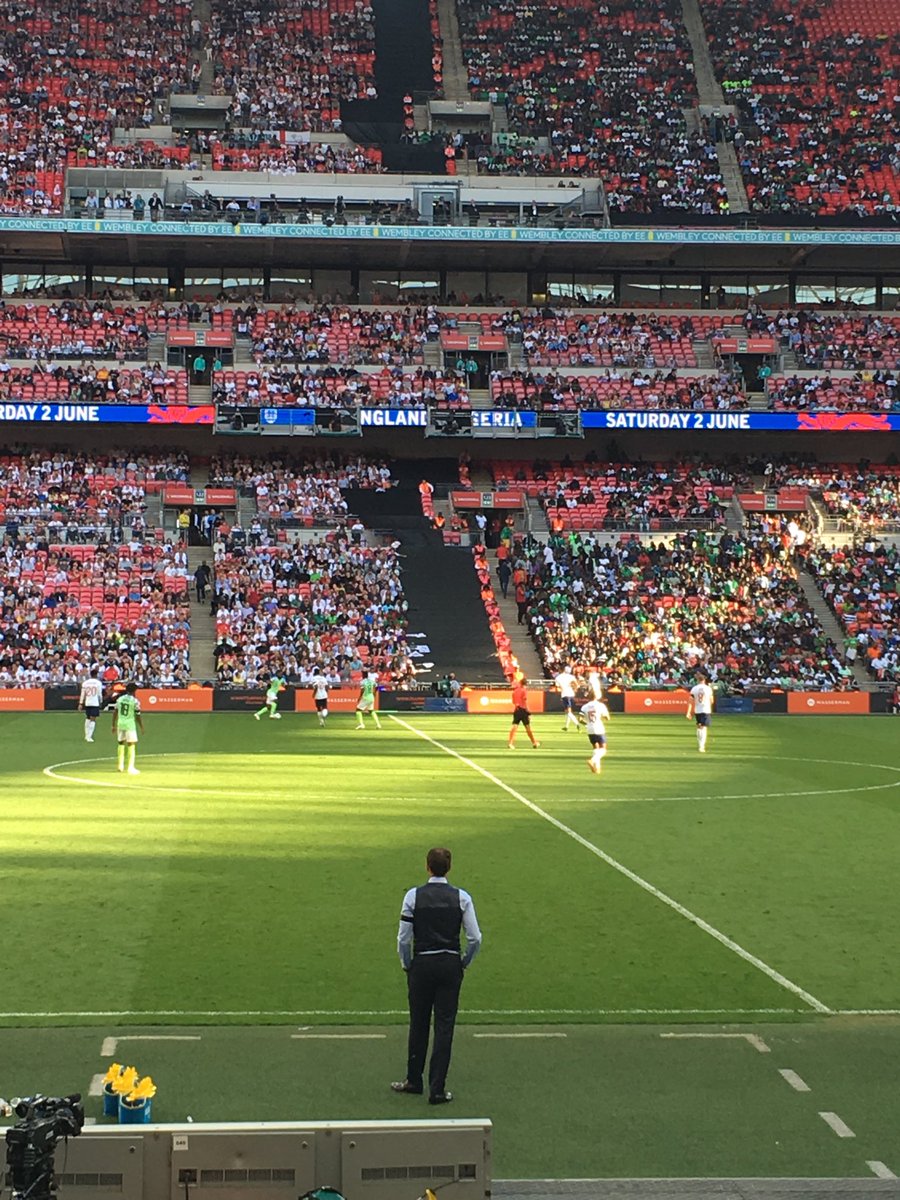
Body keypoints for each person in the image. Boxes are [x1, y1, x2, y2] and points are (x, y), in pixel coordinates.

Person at [392, 846, 482, 1105]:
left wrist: (407, 964)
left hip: (422, 964)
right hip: (449, 964)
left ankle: (413, 1080)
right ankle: (438, 1089)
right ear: (449, 867)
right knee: (444, 1026)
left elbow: (403, 938)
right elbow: (475, 938)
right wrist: (463, 961)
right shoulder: (462, 897)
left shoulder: (413, 896)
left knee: (418, 1023)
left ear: (427, 867)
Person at [112, 682, 144, 775]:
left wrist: (113, 724)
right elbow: (138, 715)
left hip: (120, 723)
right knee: (131, 745)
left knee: (120, 743)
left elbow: (115, 711)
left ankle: (120, 766)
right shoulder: (135, 701)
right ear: (134, 691)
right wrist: (141, 726)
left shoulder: (120, 699)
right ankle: (130, 767)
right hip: (130, 725)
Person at [579, 693, 611, 774]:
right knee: (603, 749)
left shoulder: (584, 706)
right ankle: (592, 760)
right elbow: (607, 718)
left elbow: (580, 719)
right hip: (599, 728)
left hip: (590, 729)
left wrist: (586, 724)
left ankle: (597, 768)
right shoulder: (600, 705)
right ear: (597, 696)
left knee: (596, 749)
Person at [508, 674, 539, 749]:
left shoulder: (515, 691)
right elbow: (525, 701)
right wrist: (528, 712)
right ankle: (534, 743)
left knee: (514, 727)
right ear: (525, 684)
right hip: (523, 710)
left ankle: (510, 743)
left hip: (516, 710)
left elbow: (513, 701)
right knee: (528, 728)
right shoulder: (524, 690)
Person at [686, 671, 714, 753]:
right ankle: (701, 746)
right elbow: (712, 700)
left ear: (698, 680)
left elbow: (690, 701)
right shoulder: (708, 688)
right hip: (705, 709)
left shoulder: (694, 688)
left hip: (697, 710)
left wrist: (688, 712)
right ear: (705, 680)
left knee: (699, 726)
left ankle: (700, 744)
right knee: (704, 728)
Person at [78, 669, 104, 743]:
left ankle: (86, 735)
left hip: (87, 702)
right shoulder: (98, 683)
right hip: (95, 702)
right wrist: (101, 701)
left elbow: (83, 694)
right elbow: (99, 694)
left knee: (88, 718)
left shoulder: (85, 683)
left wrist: (80, 703)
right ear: (96, 675)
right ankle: (89, 736)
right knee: (93, 719)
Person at [554, 662, 579, 731]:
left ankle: (577, 724)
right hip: (571, 694)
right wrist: (574, 689)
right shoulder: (571, 677)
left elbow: (557, 687)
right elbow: (577, 685)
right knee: (568, 711)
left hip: (565, 694)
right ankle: (566, 726)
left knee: (568, 712)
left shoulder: (558, 677)